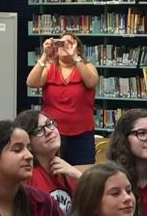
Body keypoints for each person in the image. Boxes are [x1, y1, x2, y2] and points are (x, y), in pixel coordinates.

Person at [26, 32, 98, 165]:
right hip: (52, 133)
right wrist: (45, 55)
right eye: (61, 43)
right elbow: (31, 82)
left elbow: (91, 82)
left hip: (82, 134)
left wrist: (75, 57)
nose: (65, 46)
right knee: (53, 168)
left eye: (69, 43)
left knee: (82, 171)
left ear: (78, 49)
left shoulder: (87, 67)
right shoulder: (49, 68)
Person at [14, 107, 79, 216]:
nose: (49, 131)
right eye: (38, 130)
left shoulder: (65, 170)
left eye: (49, 124)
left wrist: (79, 176)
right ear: (28, 143)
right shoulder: (27, 176)